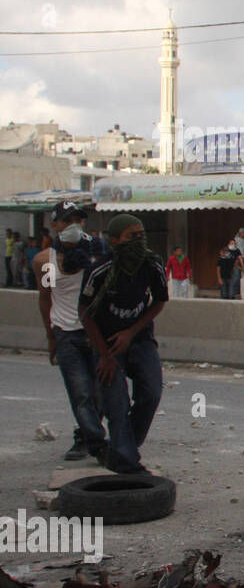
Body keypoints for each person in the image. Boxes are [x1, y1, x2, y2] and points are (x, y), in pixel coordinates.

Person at [79, 214, 168, 475]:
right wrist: (104, 355)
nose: (139, 241)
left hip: (140, 340)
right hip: (106, 347)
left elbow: (160, 301)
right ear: (115, 241)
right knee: (116, 405)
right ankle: (128, 464)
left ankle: (124, 448)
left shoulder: (152, 264)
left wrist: (130, 332)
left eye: (142, 235)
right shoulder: (100, 270)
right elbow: (84, 311)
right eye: (132, 236)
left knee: (151, 393)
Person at [35, 202, 109, 462]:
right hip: (66, 331)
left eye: (79, 220)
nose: (74, 226)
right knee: (80, 392)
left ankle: (87, 435)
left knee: (99, 392)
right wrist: (50, 336)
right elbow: (45, 298)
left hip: (96, 332)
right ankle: (94, 442)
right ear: (54, 225)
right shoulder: (45, 261)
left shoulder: (99, 251)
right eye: (67, 221)